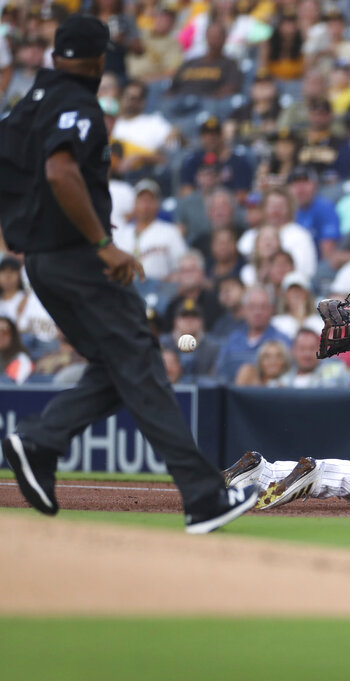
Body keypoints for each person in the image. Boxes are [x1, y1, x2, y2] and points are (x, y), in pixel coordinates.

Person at [0, 14, 255, 531]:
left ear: (55, 55)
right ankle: (203, 497)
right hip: (80, 259)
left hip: (41, 263)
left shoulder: (26, 105)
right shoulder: (77, 104)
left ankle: (42, 441)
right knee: (141, 361)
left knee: (119, 366)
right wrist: (101, 242)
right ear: (100, 60)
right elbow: (60, 171)